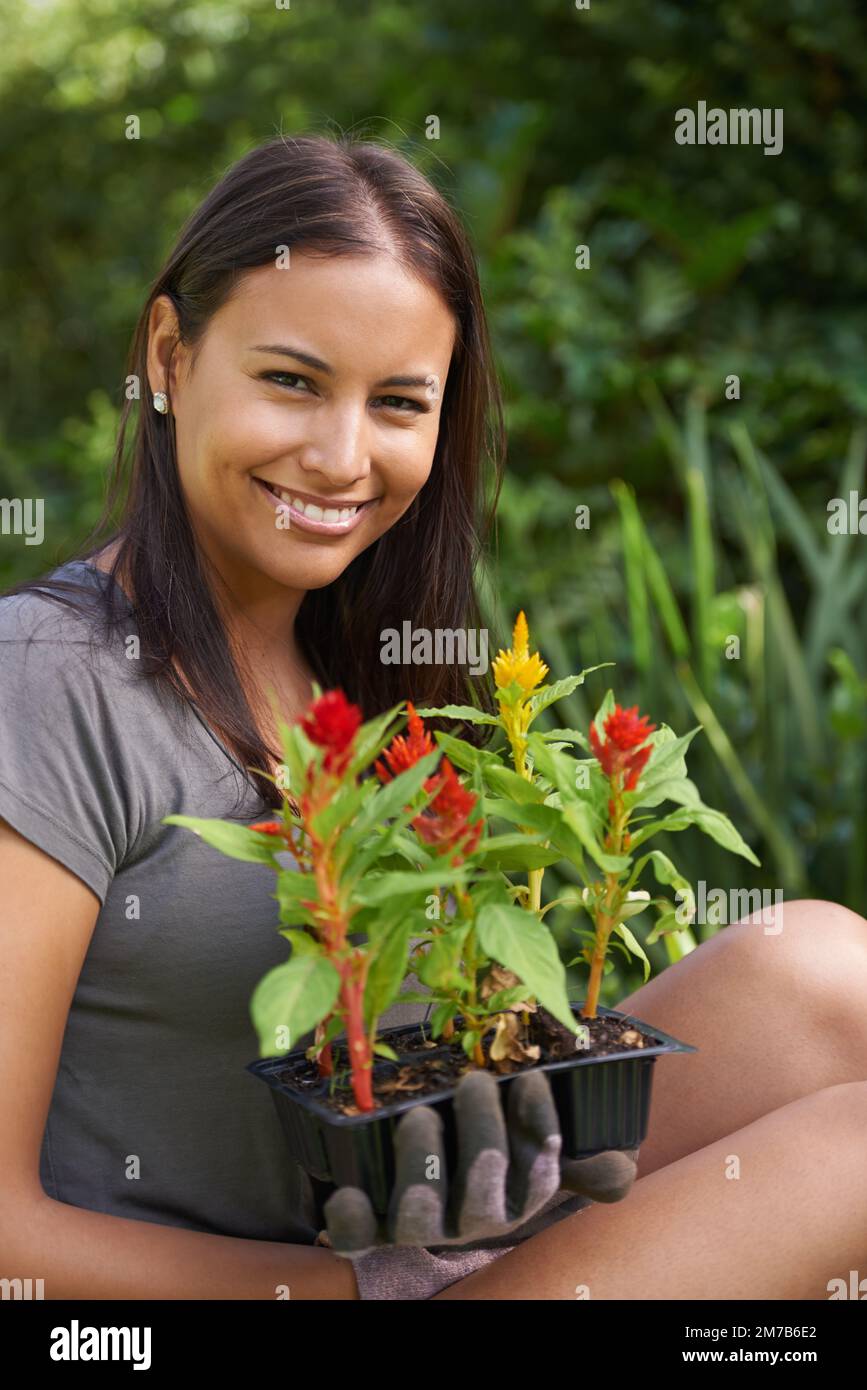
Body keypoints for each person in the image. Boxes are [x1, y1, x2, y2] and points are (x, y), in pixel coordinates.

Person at [1, 134, 866, 1302]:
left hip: (433, 1262)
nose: (342, 456)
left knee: (817, 959)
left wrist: (538, 1119)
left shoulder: (360, 684)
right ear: (168, 352)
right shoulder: (44, 677)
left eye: (398, 402)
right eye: (292, 380)